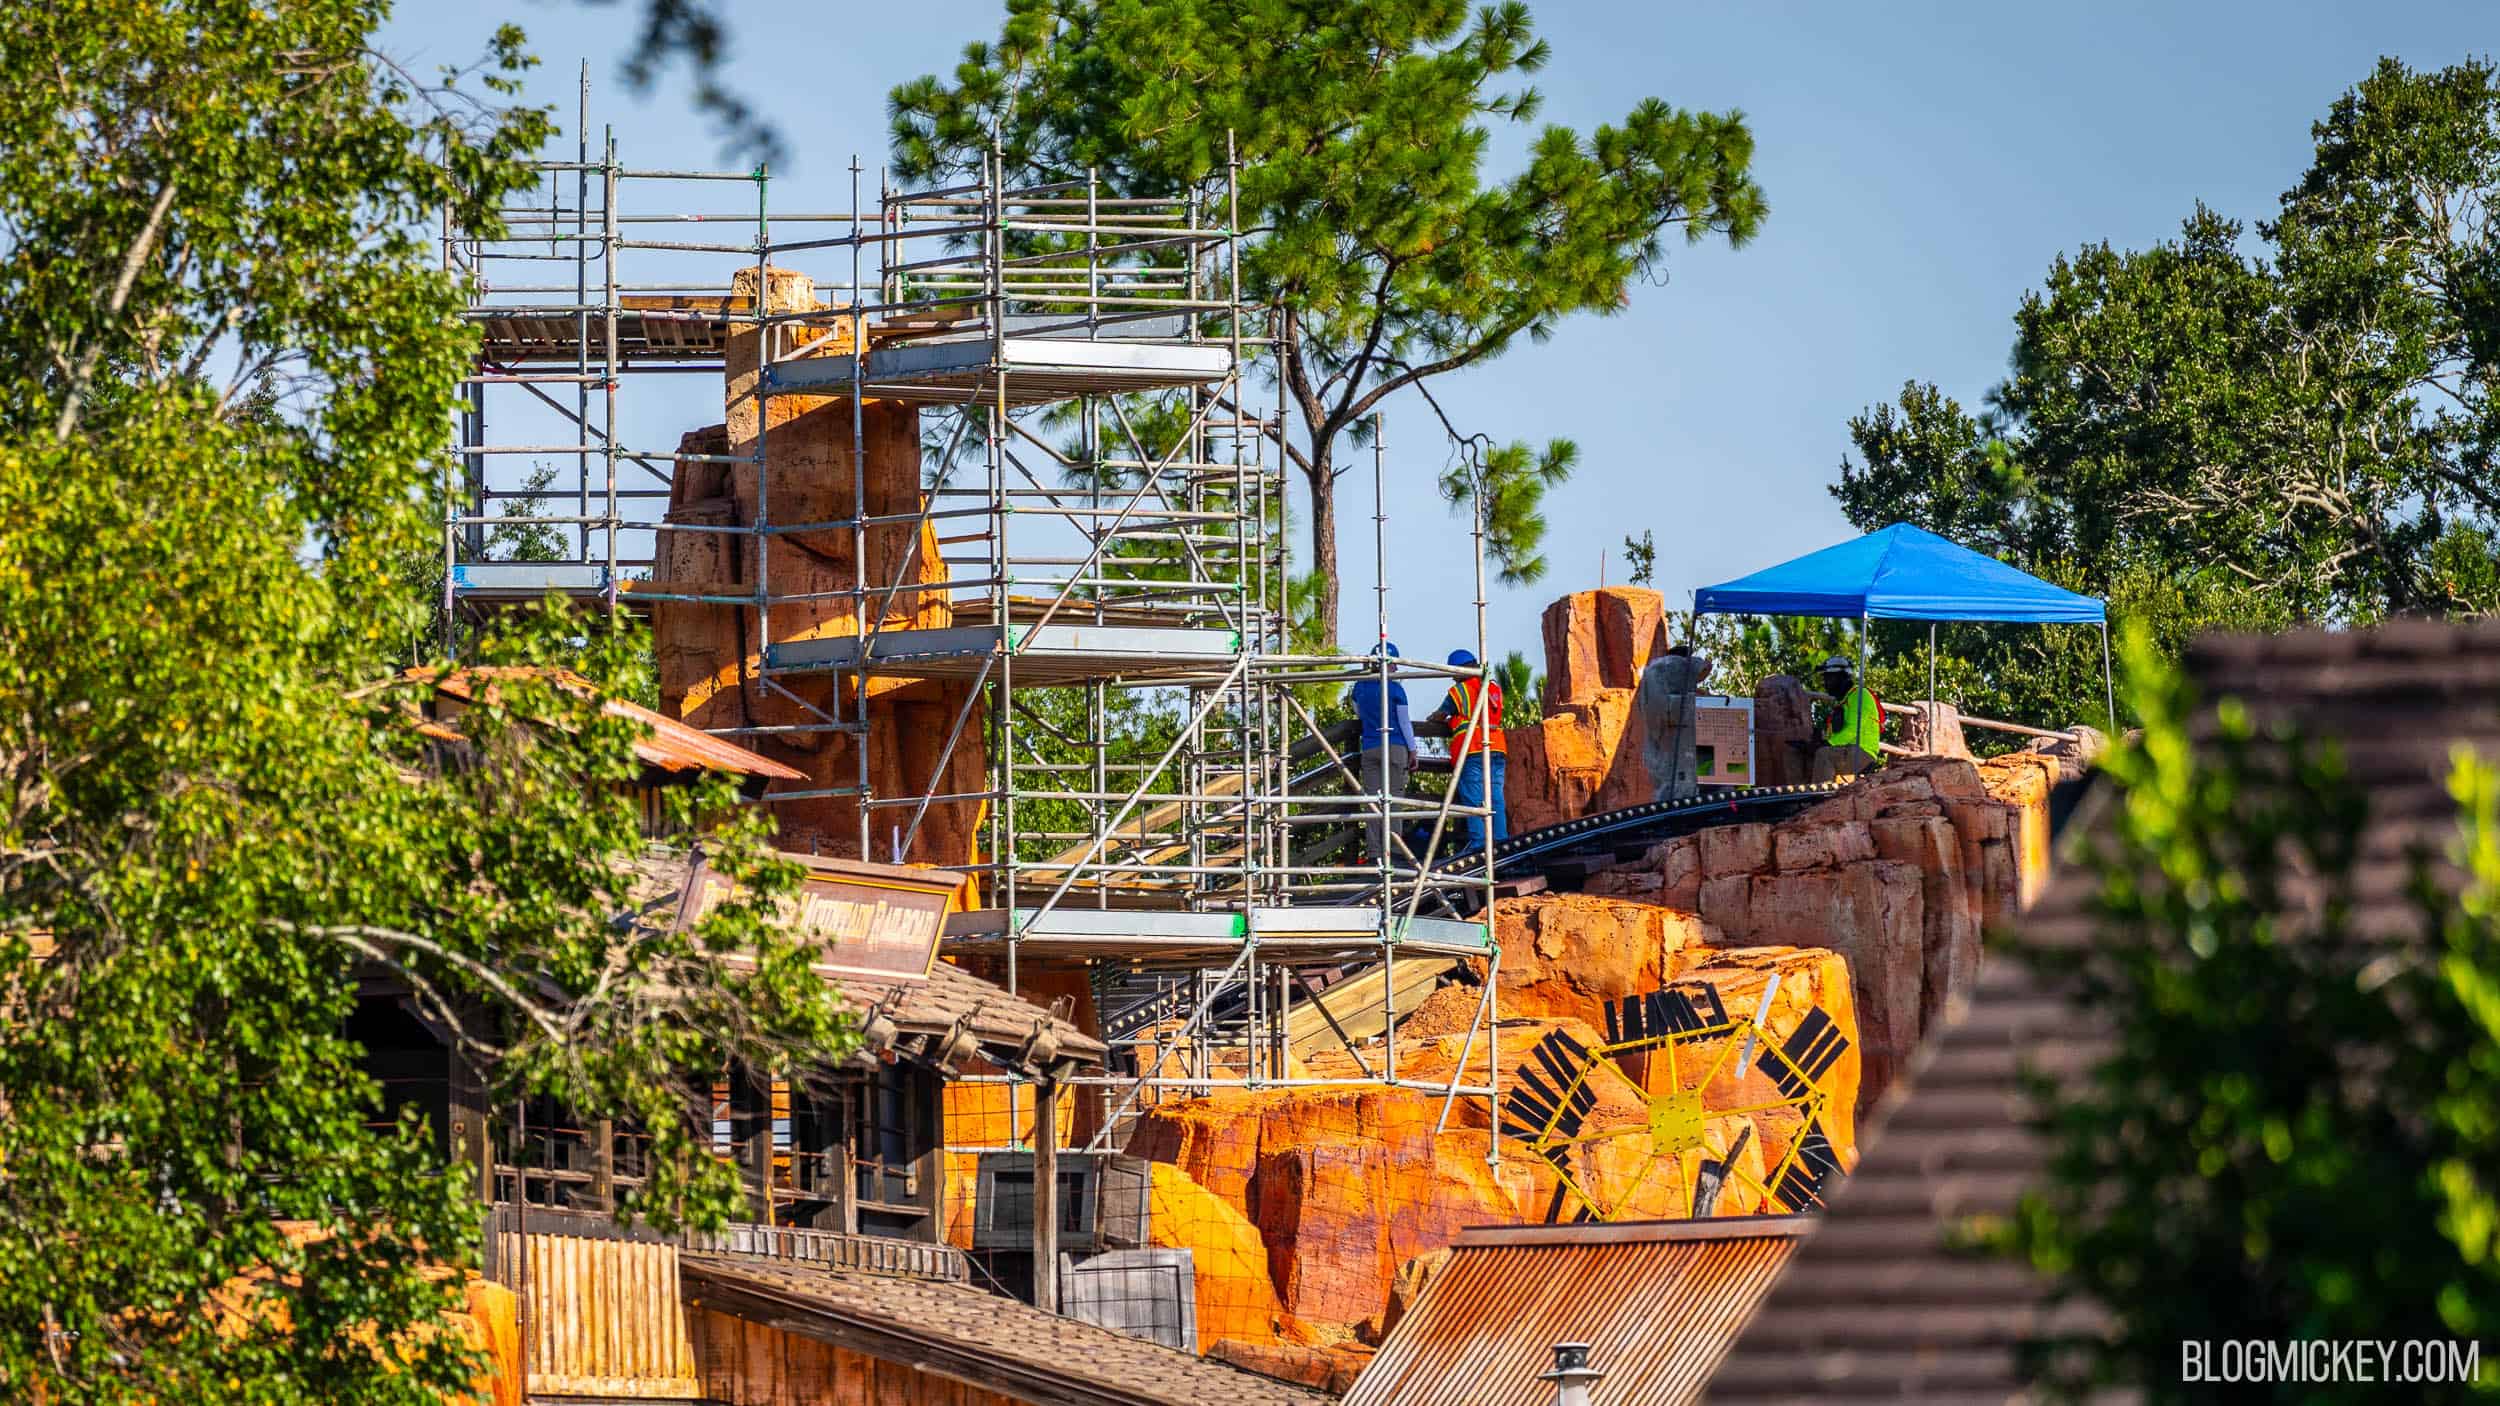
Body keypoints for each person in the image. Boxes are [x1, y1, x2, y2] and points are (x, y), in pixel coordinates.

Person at [1424, 648, 1507, 852]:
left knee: (1473, 797)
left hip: (1473, 748)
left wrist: (1439, 718)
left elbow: (1441, 715)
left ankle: (1479, 842)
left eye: (1453, 671)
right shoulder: (1492, 686)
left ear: (1460, 668)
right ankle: (1501, 839)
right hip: (1496, 747)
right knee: (1495, 795)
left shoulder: (1458, 691)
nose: (1452, 676)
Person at [1345, 641, 1416, 864]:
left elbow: (1357, 711)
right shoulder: (1395, 688)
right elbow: (1404, 722)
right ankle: (1393, 852)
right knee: (1393, 800)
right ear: (1391, 664)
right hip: (1394, 747)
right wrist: (1412, 750)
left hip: (1370, 747)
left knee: (1372, 803)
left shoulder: (1360, 686)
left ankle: (1375, 852)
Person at [1637, 642, 1714, 804]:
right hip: (1676, 756)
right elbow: (1704, 667)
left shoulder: (1652, 676)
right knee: (1679, 791)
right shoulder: (1669, 666)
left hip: (1663, 756)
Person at [1811, 654, 1884, 782]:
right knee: (1806, 754)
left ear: (1843, 677)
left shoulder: (1860, 695)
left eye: (1830, 678)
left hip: (1863, 752)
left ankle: (1821, 799)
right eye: (1825, 679)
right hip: (1847, 750)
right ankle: (1797, 798)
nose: (1825, 683)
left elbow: (1853, 729)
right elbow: (1836, 734)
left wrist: (1827, 744)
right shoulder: (1844, 701)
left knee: (1824, 755)